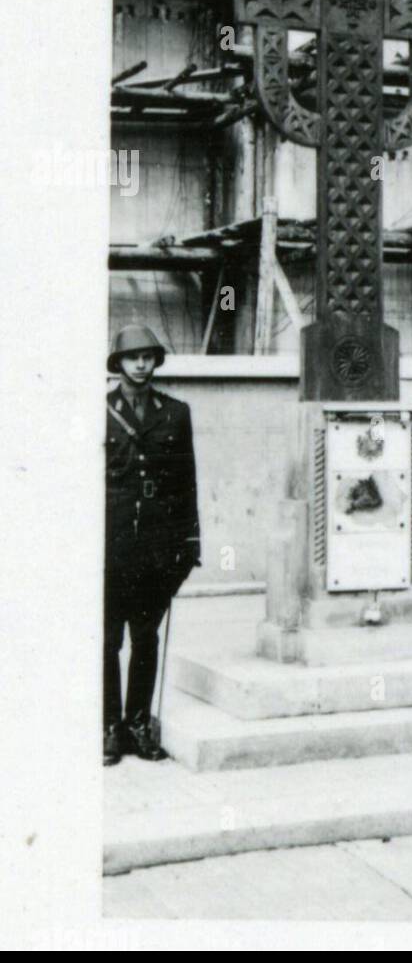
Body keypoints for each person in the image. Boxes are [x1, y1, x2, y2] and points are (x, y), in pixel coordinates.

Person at [104, 325, 200, 764]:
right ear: (118, 362)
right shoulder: (98, 410)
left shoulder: (176, 412)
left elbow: (185, 483)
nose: (140, 364)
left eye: (147, 356)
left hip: (156, 548)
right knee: (106, 640)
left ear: (156, 361)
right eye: (131, 356)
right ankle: (108, 727)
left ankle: (139, 723)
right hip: (108, 544)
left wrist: (189, 543)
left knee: (145, 638)